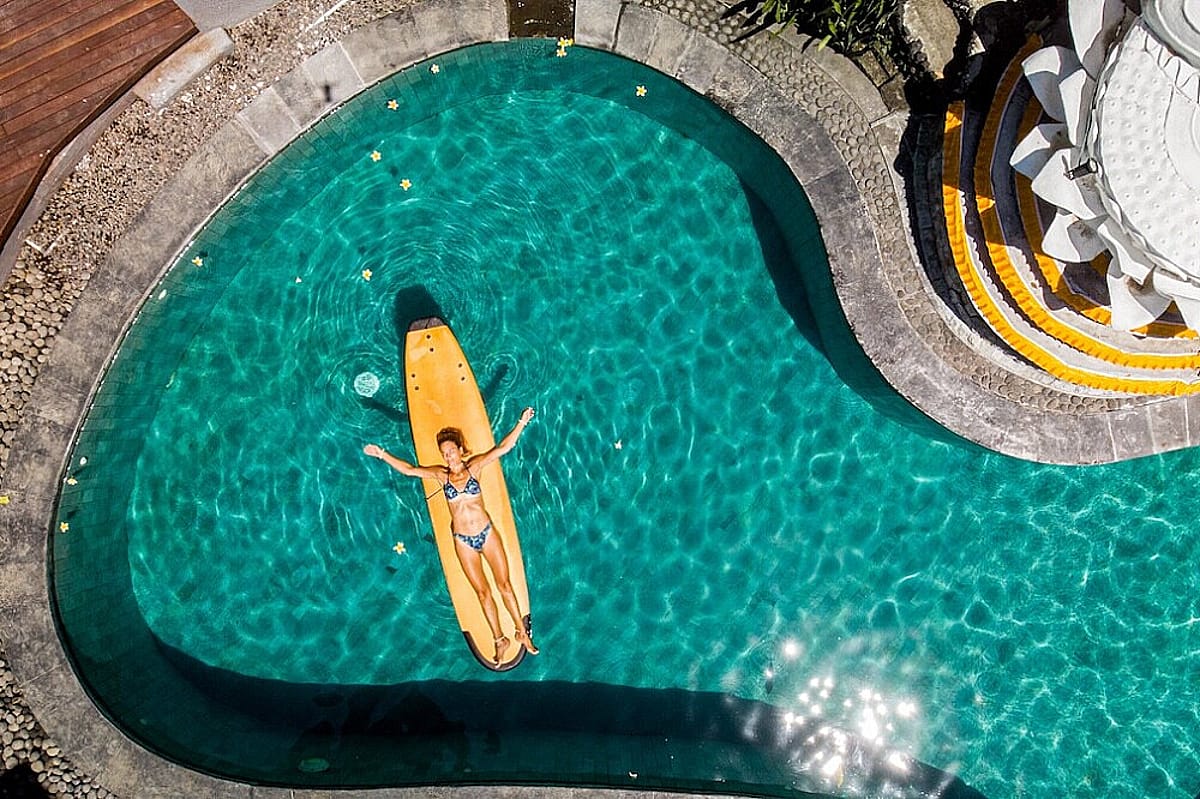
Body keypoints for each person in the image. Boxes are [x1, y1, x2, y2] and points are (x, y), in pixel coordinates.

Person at [363, 406, 539, 664]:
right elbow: (411, 470)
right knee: (483, 593)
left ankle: (521, 633)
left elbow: (503, 448)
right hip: (463, 541)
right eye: (444, 453)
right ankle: (499, 639)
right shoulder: (440, 475)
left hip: (486, 533)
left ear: (459, 449)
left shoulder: (474, 468)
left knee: (504, 586)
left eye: (450, 450)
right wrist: (382, 454)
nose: (447, 456)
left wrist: (521, 422)